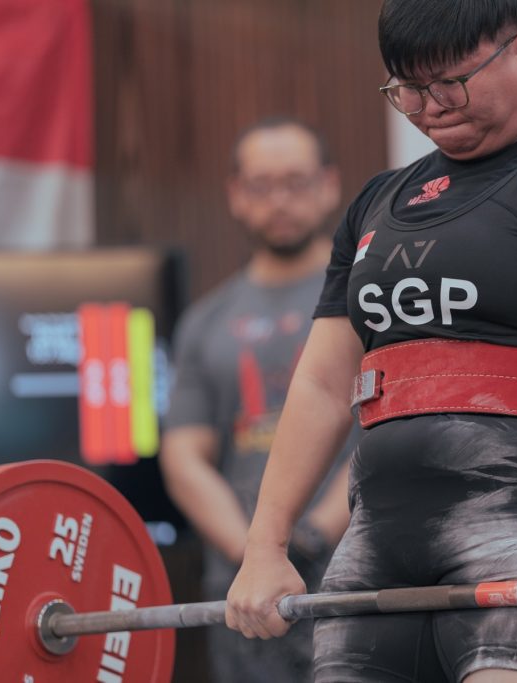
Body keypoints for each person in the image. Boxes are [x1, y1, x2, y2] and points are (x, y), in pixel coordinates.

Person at [225, 2, 517, 681]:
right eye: (408, 89)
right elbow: (319, 382)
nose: (431, 108)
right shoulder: (377, 203)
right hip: (376, 546)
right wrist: (264, 543)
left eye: (450, 83)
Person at [160, 116, 354, 682]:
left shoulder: (369, 298)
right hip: (243, 594)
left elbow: (391, 430)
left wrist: (312, 534)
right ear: (236, 197)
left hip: (356, 572)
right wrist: (256, 549)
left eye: (296, 182)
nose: (280, 201)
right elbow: (184, 458)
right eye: (261, 186)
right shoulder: (205, 322)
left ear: (328, 185)